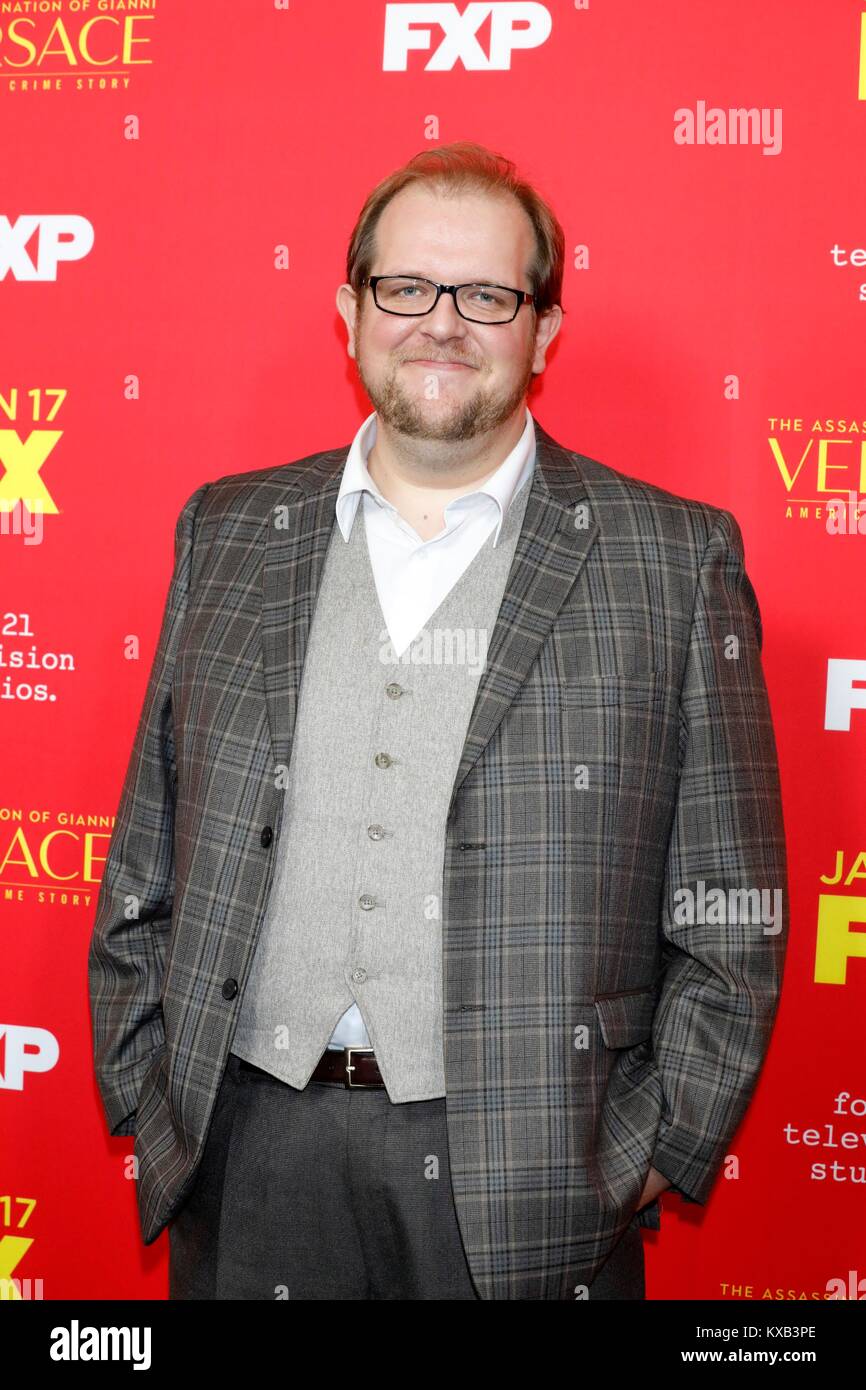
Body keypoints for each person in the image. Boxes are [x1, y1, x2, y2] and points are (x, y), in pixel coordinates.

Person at [88, 142, 789, 1301]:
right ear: (350, 310)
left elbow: (734, 905)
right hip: (249, 1151)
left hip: (531, 1172)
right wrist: (145, 1081)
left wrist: (643, 1147)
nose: (440, 323)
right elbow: (147, 845)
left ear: (544, 329)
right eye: (405, 288)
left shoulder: (671, 559)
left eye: (487, 295)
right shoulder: (227, 528)